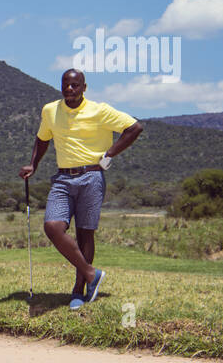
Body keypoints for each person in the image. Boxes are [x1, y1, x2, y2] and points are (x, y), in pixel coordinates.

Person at [19, 68, 143, 309]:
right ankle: (91, 273)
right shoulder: (50, 110)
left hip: (91, 176)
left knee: (85, 233)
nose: (69, 89)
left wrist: (110, 154)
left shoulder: (100, 110)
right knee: (53, 226)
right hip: (63, 179)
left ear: (84, 87)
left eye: (75, 85)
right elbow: (43, 139)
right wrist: (33, 164)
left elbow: (134, 128)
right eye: (65, 84)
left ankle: (78, 290)